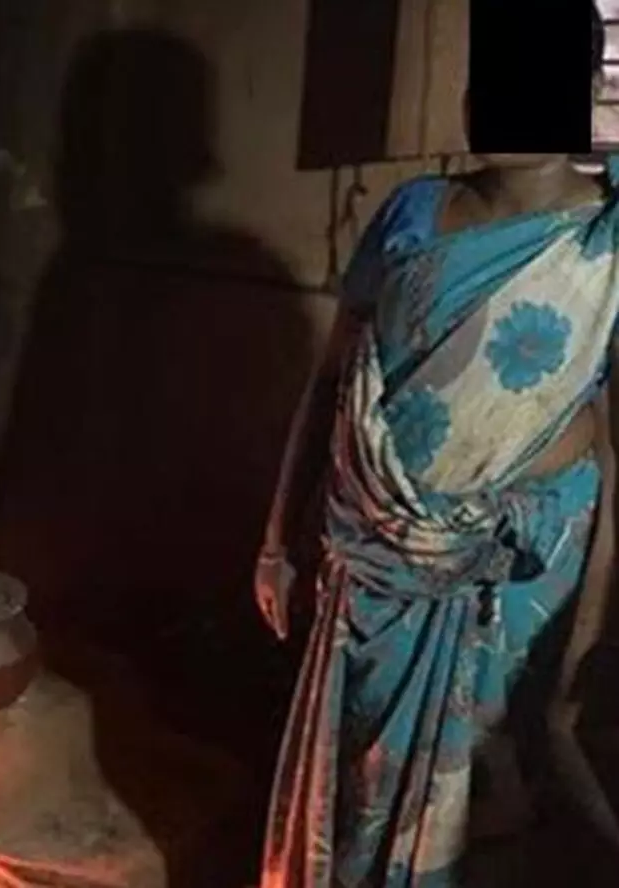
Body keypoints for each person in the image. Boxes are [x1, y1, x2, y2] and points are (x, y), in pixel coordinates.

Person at [255, 9, 619, 886]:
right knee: (361, 774)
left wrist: (594, 631)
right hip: (371, 553)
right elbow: (334, 382)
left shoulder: (604, 241)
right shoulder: (413, 212)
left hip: (522, 574)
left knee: (501, 792)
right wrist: (275, 539)